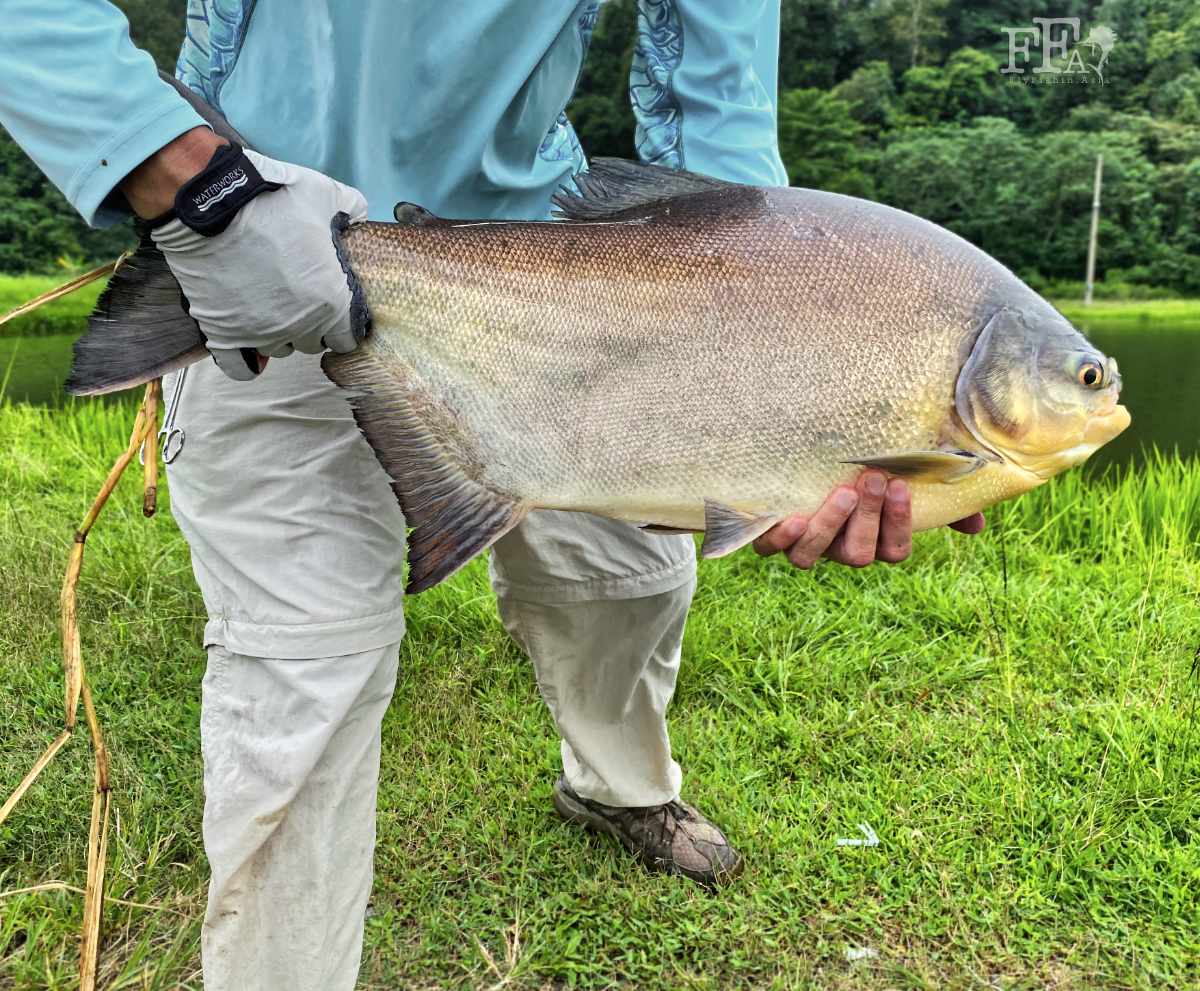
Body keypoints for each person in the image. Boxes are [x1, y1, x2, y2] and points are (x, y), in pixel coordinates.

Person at [1, 1, 983, 987]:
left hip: (551, 268)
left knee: (631, 580)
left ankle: (617, 787)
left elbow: (711, 84)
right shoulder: (224, 209)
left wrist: (778, 369)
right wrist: (186, 182)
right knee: (298, 674)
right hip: (255, 233)